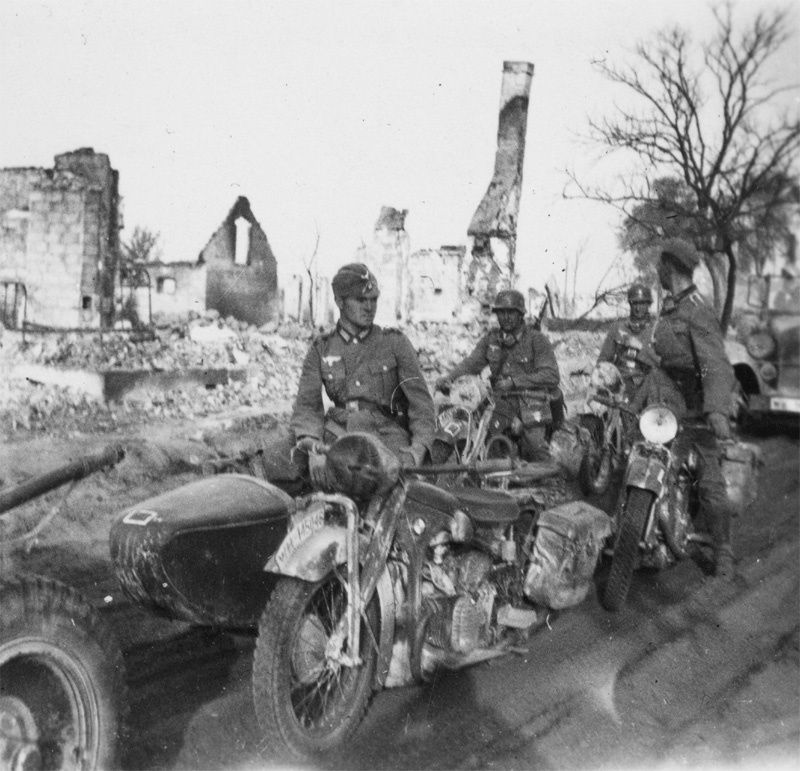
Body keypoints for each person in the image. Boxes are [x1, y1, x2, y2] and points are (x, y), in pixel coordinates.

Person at [271, 262, 435, 491]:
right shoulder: (322, 348)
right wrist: (313, 447)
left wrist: (417, 450)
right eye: (361, 300)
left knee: (397, 486)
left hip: (385, 433)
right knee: (277, 463)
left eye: (373, 299)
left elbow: (422, 405)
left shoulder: (395, 343)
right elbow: (307, 407)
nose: (369, 307)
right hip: (339, 430)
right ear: (339, 302)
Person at [651, 238, 737, 580]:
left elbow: (716, 364)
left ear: (669, 268)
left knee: (710, 484)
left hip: (697, 410)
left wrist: (716, 410)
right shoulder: (670, 309)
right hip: (668, 407)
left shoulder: (697, 310)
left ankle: (723, 551)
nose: (657, 272)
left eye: (660, 267)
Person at [435, 289, 561, 462]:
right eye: (501, 312)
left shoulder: (536, 340)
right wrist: (449, 378)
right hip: (499, 402)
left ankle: (551, 481)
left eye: (511, 312)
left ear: (520, 315)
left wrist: (514, 382)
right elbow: (471, 363)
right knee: (482, 437)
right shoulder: (491, 340)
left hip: (529, 402)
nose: (506, 317)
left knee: (535, 448)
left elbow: (551, 375)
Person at [597, 282, 659, 400]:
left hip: (647, 382)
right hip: (621, 381)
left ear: (649, 304)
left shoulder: (656, 329)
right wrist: (605, 375)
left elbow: (661, 363)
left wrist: (640, 347)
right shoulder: (618, 328)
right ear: (630, 304)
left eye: (642, 303)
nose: (637, 308)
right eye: (634, 303)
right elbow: (604, 359)